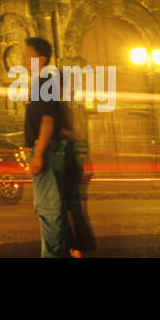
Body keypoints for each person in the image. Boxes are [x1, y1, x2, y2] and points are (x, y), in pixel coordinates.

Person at [22, 37, 72, 258]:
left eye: (28, 56)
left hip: (46, 151)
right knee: (54, 209)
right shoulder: (47, 83)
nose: (23, 60)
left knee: (48, 211)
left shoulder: (42, 83)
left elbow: (47, 120)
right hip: (53, 150)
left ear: (41, 59)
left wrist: (38, 154)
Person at [61, 96, 97, 257]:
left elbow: (77, 136)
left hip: (71, 165)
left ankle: (77, 244)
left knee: (71, 207)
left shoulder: (66, 110)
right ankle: (78, 244)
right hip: (73, 164)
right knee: (73, 206)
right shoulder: (70, 109)